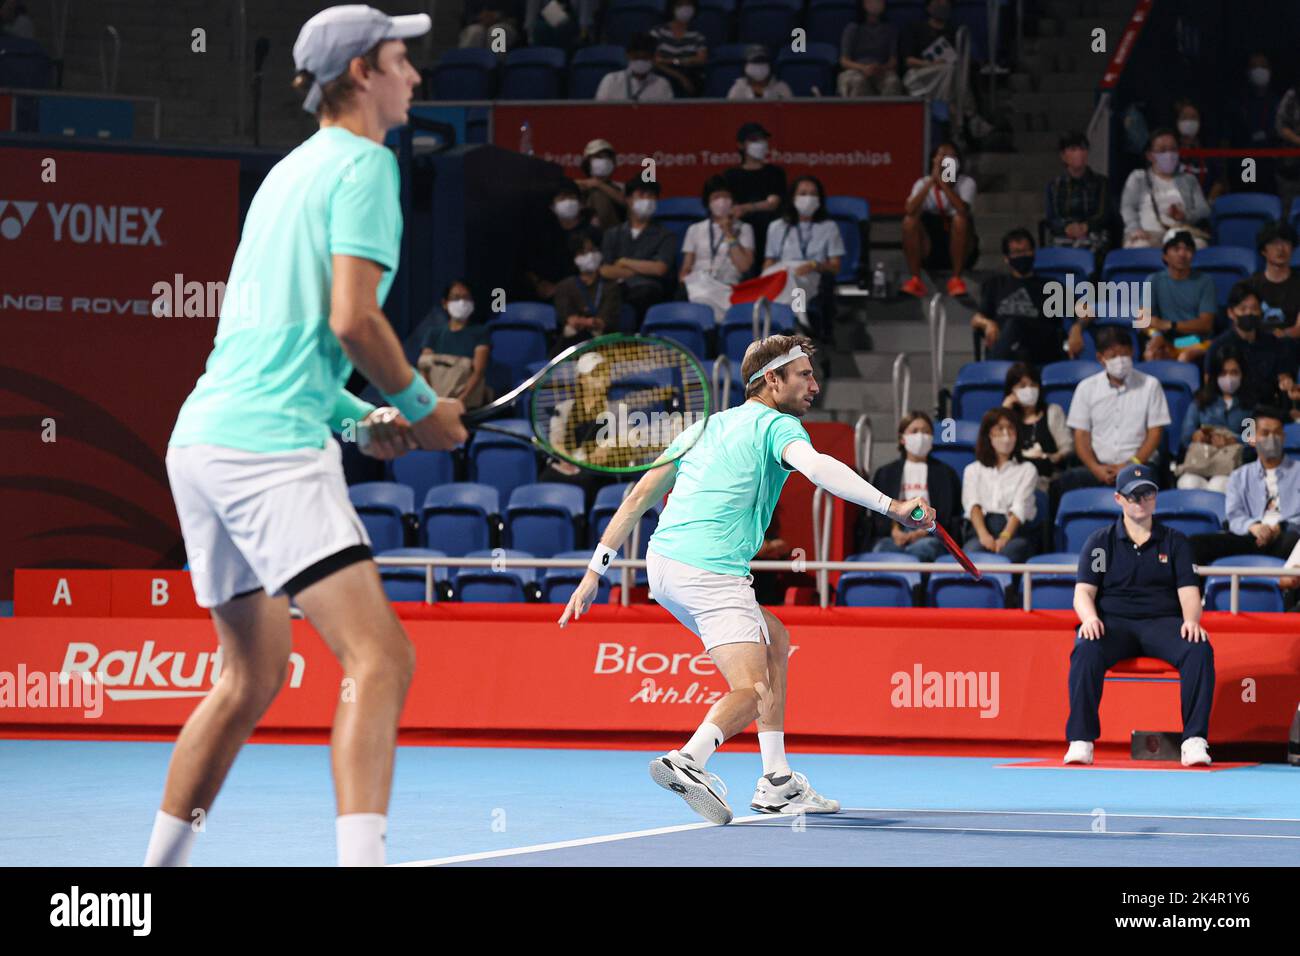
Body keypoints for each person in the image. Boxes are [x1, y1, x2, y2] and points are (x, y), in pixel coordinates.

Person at [153, 7, 467, 869]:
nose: (413, 76)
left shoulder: (285, 177)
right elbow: (353, 319)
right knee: (382, 657)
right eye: (402, 60)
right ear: (362, 72)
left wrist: (362, 419)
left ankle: (147, 885)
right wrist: (419, 407)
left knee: (249, 677)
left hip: (203, 441)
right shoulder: (366, 166)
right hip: (267, 453)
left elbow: (274, 344)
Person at [558, 334, 936, 823]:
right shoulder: (778, 427)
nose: (814, 385)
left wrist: (595, 572)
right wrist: (893, 506)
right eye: (804, 375)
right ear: (772, 379)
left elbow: (636, 499)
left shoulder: (703, 427)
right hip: (712, 570)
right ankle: (689, 759)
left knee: (775, 637)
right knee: (755, 690)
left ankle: (777, 780)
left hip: (665, 566)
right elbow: (820, 470)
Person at [1066, 463, 1214, 767]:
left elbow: (1189, 592)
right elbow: (1083, 592)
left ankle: (1194, 740)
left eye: (1147, 494)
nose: (1140, 501)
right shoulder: (1100, 543)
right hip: (1114, 625)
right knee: (1085, 649)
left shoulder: (1176, 542)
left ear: (1155, 497)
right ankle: (1081, 740)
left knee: (1198, 649)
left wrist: (1191, 620)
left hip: (1163, 624)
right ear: (1119, 499)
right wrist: (1090, 619)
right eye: (1133, 496)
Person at [1053, 326, 1171, 503]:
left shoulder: (1150, 385)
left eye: (1124, 354)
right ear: (1101, 358)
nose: (1120, 360)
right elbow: (1081, 435)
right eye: (1113, 356)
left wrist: (1131, 463)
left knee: (1144, 480)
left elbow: (1155, 433)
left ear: (1132, 352)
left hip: (1138, 465)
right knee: (1061, 484)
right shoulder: (1086, 388)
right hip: (1100, 467)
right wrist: (1095, 468)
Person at [1189, 406, 1300, 568]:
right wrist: (1253, 527)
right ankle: (1200, 593)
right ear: (1253, 438)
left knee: (1292, 541)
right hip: (1250, 537)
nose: (1272, 438)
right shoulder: (1240, 476)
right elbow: (1234, 517)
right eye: (1265, 433)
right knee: (1194, 543)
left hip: (1286, 537)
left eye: (1277, 433)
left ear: (1283, 436)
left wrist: (1279, 528)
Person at [860, 411, 961, 559]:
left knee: (924, 549)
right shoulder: (886, 473)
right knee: (881, 550)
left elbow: (948, 514)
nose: (921, 436)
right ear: (902, 438)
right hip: (894, 535)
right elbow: (879, 511)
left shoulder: (945, 473)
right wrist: (894, 531)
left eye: (926, 432)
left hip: (930, 535)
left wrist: (921, 532)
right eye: (914, 431)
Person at [762, 176, 843, 339]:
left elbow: (835, 266)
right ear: (793, 198)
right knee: (784, 275)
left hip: (810, 274)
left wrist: (814, 265)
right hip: (781, 272)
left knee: (792, 280)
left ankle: (789, 324)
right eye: (803, 193)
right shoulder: (776, 227)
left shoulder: (829, 227)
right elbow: (769, 261)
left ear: (819, 200)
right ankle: (799, 321)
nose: (808, 198)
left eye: (813, 194)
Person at [969, 228, 1062, 366]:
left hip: (1039, 351)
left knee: (1015, 325)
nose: (1022, 256)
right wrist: (988, 323)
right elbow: (976, 319)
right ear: (1007, 258)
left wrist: (1076, 328)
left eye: (1026, 251)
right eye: (1017, 253)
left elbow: (1084, 311)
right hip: (1007, 349)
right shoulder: (995, 284)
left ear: (1033, 253)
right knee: (1011, 329)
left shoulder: (1050, 286)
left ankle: (994, 371)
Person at [961, 407, 1039, 564]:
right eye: (1000, 429)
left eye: (1011, 429)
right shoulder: (972, 470)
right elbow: (973, 505)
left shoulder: (1027, 470)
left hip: (1013, 533)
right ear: (989, 434)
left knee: (1007, 555)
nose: (1006, 435)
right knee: (970, 555)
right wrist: (984, 536)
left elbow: (1019, 508)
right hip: (980, 530)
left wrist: (1004, 537)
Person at [901, 141, 978, 298]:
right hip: (930, 245)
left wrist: (943, 183)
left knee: (961, 219)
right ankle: (915, 280)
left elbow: (963, 209)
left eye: (952, 156)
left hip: (959, 246)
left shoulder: (966, 183)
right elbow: (909, 209)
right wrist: (932, 181)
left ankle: (956, 279)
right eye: (942, 155)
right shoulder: (922, 183)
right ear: (934, 160)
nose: (947, 160)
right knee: (909, 221)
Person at [1203, 282, 1294, 410]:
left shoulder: (1273, 343)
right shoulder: (1218, 346)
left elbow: (1284, 377)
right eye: (1243, 309)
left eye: (1254, 308)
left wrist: (1286, 382)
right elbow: (1209, 387)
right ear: (1231, 313)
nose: (1249, 313)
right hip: (1234, 411)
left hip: (1267, 410)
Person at [598, 176, 676, 322]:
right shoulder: (612, 234)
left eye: (651, 196)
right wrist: (641, 270)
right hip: (616, 289)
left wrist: (624, 261)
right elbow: (605, 270)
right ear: (628, 199)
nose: (646, 200)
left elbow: (659, 269)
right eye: (641, 195)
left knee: (643, 293)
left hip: (648, 291)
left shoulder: (665, 235)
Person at [680, 175, 755, 322]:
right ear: (708, 202)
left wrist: (729, 233)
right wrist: (686, 280)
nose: (722, 201)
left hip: (728, 287)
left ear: (733, 201)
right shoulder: (694, 229)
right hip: (698, 285)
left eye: (726, 197)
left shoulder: (744, 228)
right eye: (716, 197)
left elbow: (744, 266)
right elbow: (685, 268)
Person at [1120, 128, 1211, 249]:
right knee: (1139, 246)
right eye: (1162, 150)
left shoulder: (1189, 180)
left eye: (1173, 149)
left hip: (1180, 236)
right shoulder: (1138, 177)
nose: (1169, 154)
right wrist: (1135, 228)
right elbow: (1127, 207)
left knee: (1200, 245)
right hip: (1147, 235)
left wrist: (1185, 215)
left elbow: (1204, 210)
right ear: (1150, 155)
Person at [1176, 346, 1250, 492]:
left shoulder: (1250, 406)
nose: (1229, 378)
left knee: (1219, 485)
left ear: (1242, 375)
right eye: (1223, 373)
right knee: (1187, 483)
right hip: (1200, 462)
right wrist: (1196, 436)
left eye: (1234, 373)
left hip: (1231, 466)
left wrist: (1231, 440)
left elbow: (1252, 441)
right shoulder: (1200, 402)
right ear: (1215, 376)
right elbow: (1185, 437)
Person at [1139, 228, 1216, 361]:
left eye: (1188, 249)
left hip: (1195, 339)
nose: (1182, 254)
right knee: (1151, 354)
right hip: (1167, 339)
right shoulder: (1153, 280)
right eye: (1176, 249)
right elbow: (1142, 319)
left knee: (1184, 357)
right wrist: (1156, 334)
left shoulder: (1205, 281)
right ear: (1165, 255)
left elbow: (1206, 324)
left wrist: (1171, 325)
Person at [522, 180, 602, 302]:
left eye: (572, 197)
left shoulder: (593, 233)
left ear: (581, 204)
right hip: (544, 294)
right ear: (552, 207)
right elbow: (526, 264)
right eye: (562, 198)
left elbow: (599, 268)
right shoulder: (541, 233)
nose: (568, 202)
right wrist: (538, 283)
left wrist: (562, 288)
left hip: (582, 294)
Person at [416, 280, 491, 409]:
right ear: (445, 303)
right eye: (456, 298)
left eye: (466, 297)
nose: (461, 302)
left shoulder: (480, 332)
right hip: (434, 402)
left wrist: (459, 403)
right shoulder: (433, 334)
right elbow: (424, 369)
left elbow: (478, 372)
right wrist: (432, 402)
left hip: (465, 405)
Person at [723, 122, 787, 263]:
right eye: (753, 140)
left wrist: (746, 208)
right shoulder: (731, 175)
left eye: (762, 139)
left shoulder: (775, 173)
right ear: (741, 145)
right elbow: (730, 207)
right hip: (742, 233)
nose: (760, 144)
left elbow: (773, 203)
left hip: (769, 232)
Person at [1002, 362, 1072, 490]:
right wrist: (1005, 412)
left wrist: (1051, 458)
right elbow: (996, 449)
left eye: (1033, 385)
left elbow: (1067, 448)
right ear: (1011, 390)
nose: (1029, 390)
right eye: (1022, 386)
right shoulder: (1008, 418)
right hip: (1014, 479)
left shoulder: (1053, 411)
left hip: (1048, 478)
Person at [1044, 131, 1111, 255]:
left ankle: (1089, 274)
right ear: (1063, 155)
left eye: (1083, 149)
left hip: (1093, 233)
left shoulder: (1101, 182)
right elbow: (1052, 217)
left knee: (1090, 247)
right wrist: (1067, 227)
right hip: (1064, 234)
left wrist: (1086, 227)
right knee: (1067, 256)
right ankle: (1071, 276)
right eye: (1073, 149)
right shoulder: (1054, 186)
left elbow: (1104, 214)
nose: (1079, 153)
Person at [552, 234, 622, 348]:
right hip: (571, 344)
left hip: (603, 343)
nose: (590, 255)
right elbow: (568, 319)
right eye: (583, 252)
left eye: (592, 250)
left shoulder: (610, 286)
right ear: (575, 257)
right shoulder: (564, 287)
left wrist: (587, 322)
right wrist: (586, 322)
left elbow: (604, 321)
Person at [1244, 220, 1300, 339]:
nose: (1280, 248)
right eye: (1274, 243)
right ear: (1263, 250)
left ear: (1293, 248)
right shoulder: (1250, 285)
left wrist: (1282, 336)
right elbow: (1243, 324)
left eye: (1286, 242)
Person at [838, 0, 902, 98]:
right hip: (857, 69)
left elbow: (893, 60)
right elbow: (844, 61)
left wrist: (881, 68)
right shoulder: (852, 28)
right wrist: (863, 68)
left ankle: (888, 113)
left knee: (892, 82)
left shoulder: (890, 29)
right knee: (857, 81)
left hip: (882, 70)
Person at [651, 2, 708, 97]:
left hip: (689, 75)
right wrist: (680, 77)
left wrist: (670, 61)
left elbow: (701, 59)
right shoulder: (657, 32)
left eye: (688, 5)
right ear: (672, 8)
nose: (685, 9)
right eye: (680, 5)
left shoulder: (697, 35)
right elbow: (654, 61)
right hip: (664, 73)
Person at [595, 33, 674, 102]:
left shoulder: (662, 84)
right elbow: (600, 111)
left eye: (645, 58)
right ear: (628, 56)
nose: (641, 61)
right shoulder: (611, 80)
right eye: (636, 57)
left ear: (653, 58)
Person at [1172, 99, 1223, 202]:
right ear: (1177, 122)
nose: (1189, 122)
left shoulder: (1210, 151)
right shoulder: (1169, 150)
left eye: (1193, 118)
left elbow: (1219, 181)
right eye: (1185, 117)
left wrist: (1209, 202)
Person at [576, 138, 626, 229]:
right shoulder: (581, 185)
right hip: (583, 237)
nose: (603, 160)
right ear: (588, 162)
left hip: (614, 235)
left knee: (598, 194)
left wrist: (599, 185)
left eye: (607, 157)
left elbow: (628, 203)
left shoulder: (621, 187)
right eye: (598, 157)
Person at [727, 47, 793, 100]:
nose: (758, 68)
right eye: (754, 63)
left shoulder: (782, 88)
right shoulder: (738, 89)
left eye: (762, 62)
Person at [458, 0, 522, 48]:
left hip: (505, 24)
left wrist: (497, 17)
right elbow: (467, 16)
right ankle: (468, 64)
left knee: (497, 31)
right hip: (478, 24)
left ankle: (498, 63)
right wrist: (481, 18)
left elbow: (517, 17)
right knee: (475, 32)